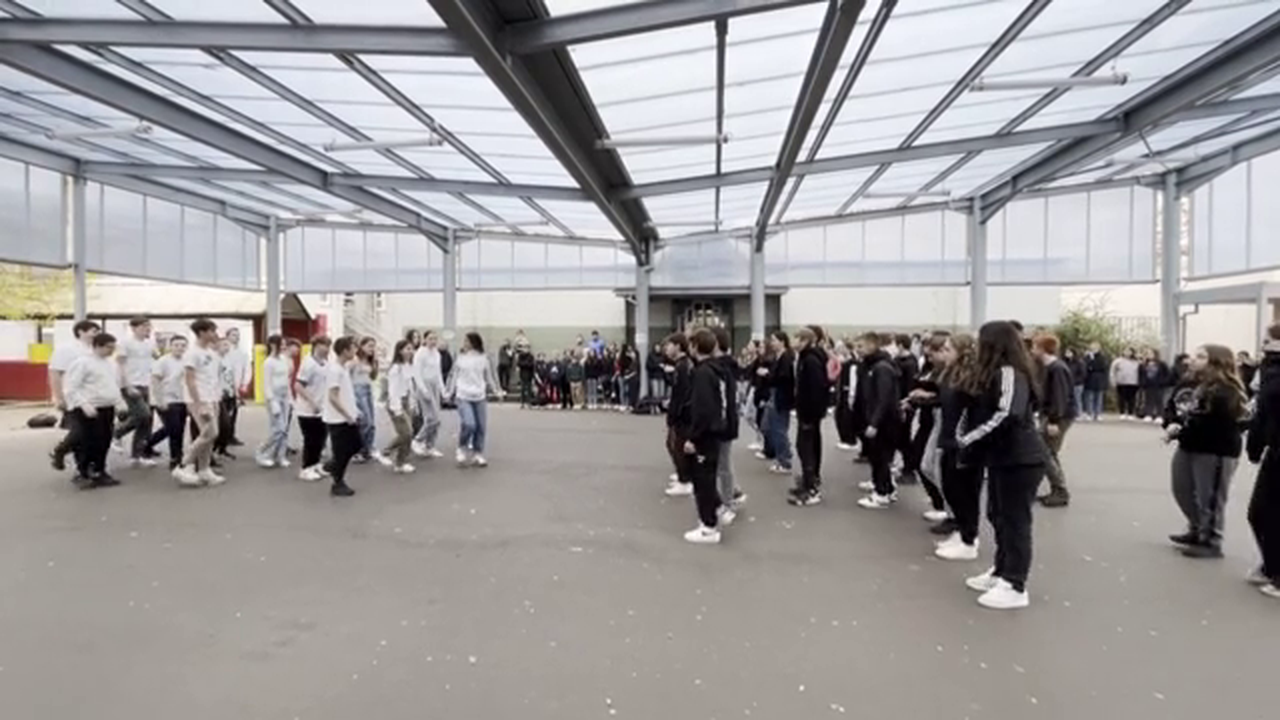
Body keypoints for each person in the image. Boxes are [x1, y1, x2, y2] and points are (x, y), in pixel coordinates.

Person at [958, 321, 1047, 610]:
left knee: (1015, 521)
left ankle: (1015, 583)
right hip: (1002, 457)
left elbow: (1007, 413)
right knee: (997, 515)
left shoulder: (1010, 373)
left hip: (1021, 459)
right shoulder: (996, 373)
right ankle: (1001, 570)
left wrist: (970, 439)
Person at [1164, 344, 1248, 559]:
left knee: (1209, 497)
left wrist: (1182, 430)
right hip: (1189, 444)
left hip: (1215, 450)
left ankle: (1211, 540)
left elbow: (1214, 423)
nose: (1193, 359)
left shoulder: (1226, 390)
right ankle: (1197, 528)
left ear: (1216, 362)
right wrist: (1172, 422)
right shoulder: (1189, 382)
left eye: (1201, 356)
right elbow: (1174, 406)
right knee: (1182, 489)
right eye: (1195, 355)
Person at [931, 334, 982, 560]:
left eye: (948, 349)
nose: (945, 352)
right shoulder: (950, 373)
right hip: (949, 437)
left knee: (965, 492)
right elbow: (946, 401)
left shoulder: (972, 377)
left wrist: (967, 439)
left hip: (963, 442)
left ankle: (969, 539)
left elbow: (973, 409)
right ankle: (962, 532)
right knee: (951, 488)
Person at [683, 327, 727, 545]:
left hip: (705, 436)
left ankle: (708, 526)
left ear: (695, 346)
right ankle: (715, 509)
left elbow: (703, 409)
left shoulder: (702, 374)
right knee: (707, 477)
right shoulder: (716, 370)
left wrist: (693, 437)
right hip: (715, 432)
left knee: (703, 480)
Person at [1246, 323, 1280, 599]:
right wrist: (1255, 446)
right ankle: (1271, 565)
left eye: (1268, 340)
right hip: (1274, 449)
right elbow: (1261, 414)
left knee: (1270, 513)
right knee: (1259, 512)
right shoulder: (1269, 370)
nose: (1263, 345)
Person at [63, 333, 123, 489]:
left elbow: (113, 385)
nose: (111, 350)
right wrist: (83, 404)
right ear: (97, 346)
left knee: (104, 441)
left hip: (107, 406)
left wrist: (119, 402)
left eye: (113, 347)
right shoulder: (82, 363)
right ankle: (82, 472)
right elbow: (71, 387)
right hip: (89, 407)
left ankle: (99, 470)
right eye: (109, 347)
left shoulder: (110, 364)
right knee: (87, 442)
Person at [172, 318, 226, 488]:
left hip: (213, 397)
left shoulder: (211, 353)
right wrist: (199, 403)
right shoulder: (192, 353)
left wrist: (217, 397)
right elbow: (190, 380)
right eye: (212, 331)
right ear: (202, 332)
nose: (215, 334)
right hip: (198, 398)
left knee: (210, 436)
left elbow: (214, 377)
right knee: (210, 433)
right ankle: (183, 465)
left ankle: (204, 469)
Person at [904, 333, 949, 522]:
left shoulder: (950, 373)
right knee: (920, 461)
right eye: (927, 355)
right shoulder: (930, 369)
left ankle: (943, 504)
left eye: (932, 354)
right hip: (928, 419)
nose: (929, 359)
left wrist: (927, 397)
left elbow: (945, 398)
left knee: (933, 465)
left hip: (940, 421)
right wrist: (913, 400)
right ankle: (939, 500)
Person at [857, 332, 903, 510]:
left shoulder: (882, 368)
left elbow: (884, 398)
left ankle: (882, 493)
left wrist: (874, 423)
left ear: (872, 345)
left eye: (861, 346)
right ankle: (887, 489)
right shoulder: (871, 366)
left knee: (880, 457)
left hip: (884, 422)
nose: (858, 350)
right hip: (877, 418)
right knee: (877, 456)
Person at [48, 320, 101, 473]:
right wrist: (58, 397)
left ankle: (84, 466)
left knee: (91, 434)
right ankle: (61, 450)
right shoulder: (66, 349)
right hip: (72, 396)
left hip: (93, 397)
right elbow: (55, 373)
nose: (96, 334)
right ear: (80, 332)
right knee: (79, 432)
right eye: (93, 331)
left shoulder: (95, 350)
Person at [1031, 333, 1077, 508]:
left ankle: (1060, 490)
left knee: (1045, 452)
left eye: (1035, 346)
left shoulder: (1057, 369)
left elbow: (1060, 396)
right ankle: (1057, 488)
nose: (1032, 350)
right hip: (1053, 414)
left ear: (1042, 349)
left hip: (1059, 416)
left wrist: (1053, 420)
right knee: (1048, 451)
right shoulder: (1049, 367)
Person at [447, 332, 502, 467]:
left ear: (474, 343)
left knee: (481, 426)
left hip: (479, 396)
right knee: (469, 424)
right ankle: (461, 447)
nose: (464, 343)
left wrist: (496, 391)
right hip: (463, 395)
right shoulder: (460, 359)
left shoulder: (484, 359)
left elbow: (489, 376)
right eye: (464, 341)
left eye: (467, 341)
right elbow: (453, 376)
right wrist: (449, 392)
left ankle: (478, 453)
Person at [791, 327, 830, 507]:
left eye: (796, 338)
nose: (793, 342)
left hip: (809, 413)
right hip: (806, 411)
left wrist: (811, 414)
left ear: (804, 341)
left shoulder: (811, 360)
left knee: (806, 448)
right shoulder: (804, 358)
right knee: (807, 447)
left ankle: (811, 488)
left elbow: (816, 389)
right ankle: (809, 481)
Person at [110, 316, 157, 467]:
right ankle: (116, 433)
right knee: (143, 414)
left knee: (146, 421)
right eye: (143, 326)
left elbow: (154, 361)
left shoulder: (150, 343)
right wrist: (128, 385)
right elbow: (121, 365)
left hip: (146, 383)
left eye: (149, 326)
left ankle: (138, 455)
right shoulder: (125, 343)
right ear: (133, 328)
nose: (147, 329)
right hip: (130, 384)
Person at [711, 326, 744, 521]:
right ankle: (734, 491)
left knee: (723, 464)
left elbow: (725, 399)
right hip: (726, 419)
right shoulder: (726, 365)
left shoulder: (722, 368)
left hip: (723, 421)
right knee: (723, 461)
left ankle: (728, 502)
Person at [323, 336, 361, 498]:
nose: (355, 351)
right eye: (353, 348)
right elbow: (333, 397)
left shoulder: (343, 367)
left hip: (348, 416)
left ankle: (333, 466)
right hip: (338, 418)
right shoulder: (335, 370)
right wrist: (347, 415)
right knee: (341, 451)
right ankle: (337, 482)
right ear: (345, 351)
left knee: (356, 444)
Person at [256, 335, 297, 469]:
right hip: (274, 397)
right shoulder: (268, 362)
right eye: (282, 344)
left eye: (285, 344)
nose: (284, 347)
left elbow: (287, 380)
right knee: (278, 429)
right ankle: (262, 452)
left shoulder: (284, 360)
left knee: (284, 429)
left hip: (284, 397)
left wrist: (290, 398)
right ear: (273, 345)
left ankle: (281, 456)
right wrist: (272, 401)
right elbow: (266, 384)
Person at [148, 336, 188, 470]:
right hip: (167, 399)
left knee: (176, 429)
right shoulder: (163, 361)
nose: (179, 348)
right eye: (176, 345)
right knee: (174, 430)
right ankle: (175, 459)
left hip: (182, 399)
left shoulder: (186, 361)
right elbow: (155, 381)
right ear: (170, 347)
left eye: (183, 345)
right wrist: (160, 400)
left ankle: (147, 443)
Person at [294, 337, 332, 482]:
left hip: (323, 408)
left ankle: (315, 464)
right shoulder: (308, 363)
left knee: (320, 439)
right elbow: (298, 386)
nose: (326, 349)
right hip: (307, 410)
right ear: (315, 346)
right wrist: (312, 402)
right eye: (323, 345)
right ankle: (306, 468)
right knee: (311, 440)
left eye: (328, 346)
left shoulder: (326, 364)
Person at [664, 332, 694, 497]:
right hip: (681, 412)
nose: (666, 349)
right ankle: (683, 475)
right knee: (674, 444)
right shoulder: (682, 365)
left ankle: (685, 479)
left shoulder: (683, 367)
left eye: (669, 345)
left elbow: (682, 394)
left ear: (677, 346)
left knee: (677, 445)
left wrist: (674, 413)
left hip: (682, 414)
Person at [761, 331, 796, 476]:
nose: (772, 343)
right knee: (767, 426)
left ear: (782, 342)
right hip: (774, 394)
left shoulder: (786, 358)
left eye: (774, 340)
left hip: (781, 396)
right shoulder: (778, 357)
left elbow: (784, 378)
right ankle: (783, 452)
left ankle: (784, 460)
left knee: (779, 429)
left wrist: (767, 374)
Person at [382, 339, 417, 474]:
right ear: (400, 351)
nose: (410, 351)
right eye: (407, 349)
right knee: (407, 433)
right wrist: (396, 408)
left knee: (407, 433)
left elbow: (410, 386)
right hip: (396, 402)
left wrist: (412, 402)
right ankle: (399, 461)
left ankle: (391, 452)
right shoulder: (396, 368)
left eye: (411, 349)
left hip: (406, 400)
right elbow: (393, 390)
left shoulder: (408, 365)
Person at [411, 331, 446, 458]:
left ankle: (430, 445)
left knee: (437, 419)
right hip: (424, 385)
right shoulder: (420, 353)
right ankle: (418, 439)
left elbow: (438, 373)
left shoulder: (437, 354)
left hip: (434, 385)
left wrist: (443, 390)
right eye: (430, 339)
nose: (433, 341)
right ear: (425, 340)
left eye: (435, 339)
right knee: (432, 418)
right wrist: (423, 390)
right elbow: (417, 373)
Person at [352, 337, 381, 464]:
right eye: (369, 346)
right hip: (358, 390)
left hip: (368, 389)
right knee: (366, 422)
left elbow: (373, 377)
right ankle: (360, 450)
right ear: (361, 346)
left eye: (373, 346)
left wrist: (375, 363)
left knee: (372, 423)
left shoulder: (370, 361)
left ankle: (369, 448)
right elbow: (347, 377)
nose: (372, 349)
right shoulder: (354, 360)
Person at [222, 327, 252, 447]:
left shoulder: (242, 353)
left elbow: (247, 369)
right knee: (224, 415)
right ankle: (222, 437)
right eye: (233, 335)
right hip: (224, 388)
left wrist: (245, 384)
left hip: (237, 387)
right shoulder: (223, 352)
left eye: (237, 335)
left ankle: (230, 436)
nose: (236, 337)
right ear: (227, 336)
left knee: (234, 413)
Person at [834, 343, 859, 451]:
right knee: (839, 416)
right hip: (842, 392)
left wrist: (852, 395)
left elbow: (853, 380)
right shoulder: (844, 363)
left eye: (842, 348)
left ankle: (850, 440)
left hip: (847, 391)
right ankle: (844, 438)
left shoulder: (852, 364)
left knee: (847, 417)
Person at [1138, 348, 1173, 422]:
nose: (1149, 355)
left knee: (1159, 400)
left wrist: (1164, 382)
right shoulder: (1144, 365)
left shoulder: (1162, 364)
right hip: (1148, 385)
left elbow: (1167, 374)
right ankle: (1148, 414)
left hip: (1159, 385)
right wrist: (1142, 383)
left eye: (1151, 353)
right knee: (1148, 400)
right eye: (1147, 354)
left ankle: (1160, 415)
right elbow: (1141, 375)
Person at [1082, 342, 1110, 421]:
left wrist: (1092, 364)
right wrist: (1090, 360)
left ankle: (1098, 413)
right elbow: (1085, 366)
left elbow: (1102, 367)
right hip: (1089, 379)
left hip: (1099, 380)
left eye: (1095, 348)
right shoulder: (1087, 357)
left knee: (1099, 398)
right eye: (1092, 347)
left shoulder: (1102, 357)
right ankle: (1089, 413)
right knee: (1089, 397)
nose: (1094, 349)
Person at [1111, 347, 1141, 420]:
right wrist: (1113, 381)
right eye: (1126, 351)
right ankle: (1122, 412)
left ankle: (1131, 413)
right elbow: (1112, 372)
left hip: (1133, 382)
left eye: (1129, 351)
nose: (1127, 353)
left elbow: (1140, 372)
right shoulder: (1118, 361)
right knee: (1121, 398)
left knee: (1132, 399)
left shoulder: (1136, 362)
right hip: (1121, 382)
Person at [1064, 347, 1086, 419]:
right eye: (1066, 353)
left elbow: (1082, 374)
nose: (1067, 354)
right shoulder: (1065, 362)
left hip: (1077, 384)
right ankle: (1071, 413)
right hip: (1067, 384)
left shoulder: (1079, 362)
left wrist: (1075, 381)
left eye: (1069, 352)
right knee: (1069, 399)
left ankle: (1079, 413)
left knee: (1077, 399)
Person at [517, 341, 536, 409]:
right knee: (522, 389)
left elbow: (531, 365)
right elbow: (519, 364)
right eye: (525, 348)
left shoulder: (531, 356)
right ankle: (522, 403)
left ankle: (529, 402)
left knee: (529, 389)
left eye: (527, 348)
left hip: (529, 375)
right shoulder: (521, 356)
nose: (526, 349)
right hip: (522, 375)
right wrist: (526, 364)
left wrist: (525, 364)